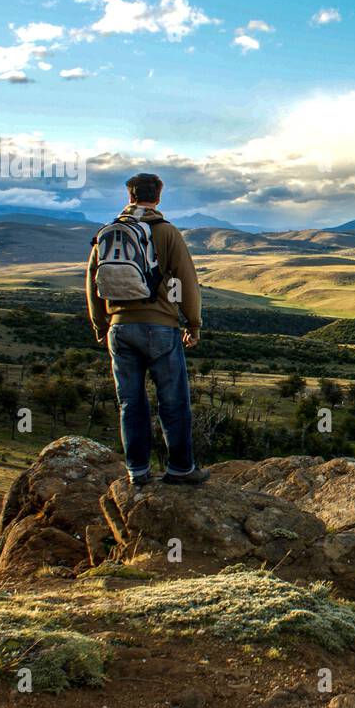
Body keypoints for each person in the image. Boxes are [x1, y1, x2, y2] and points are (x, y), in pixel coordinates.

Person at [85, 172, 209, 486]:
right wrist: (192, 323)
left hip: (120, 329)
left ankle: (137, 472)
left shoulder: (108, 233)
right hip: (161, 328)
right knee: (173, 400)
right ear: (159, 196)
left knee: (130, 402)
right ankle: (180, 469)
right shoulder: (166, 232)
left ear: (130, 196)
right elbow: (185, 281)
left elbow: (92, 282)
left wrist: (102, 325)